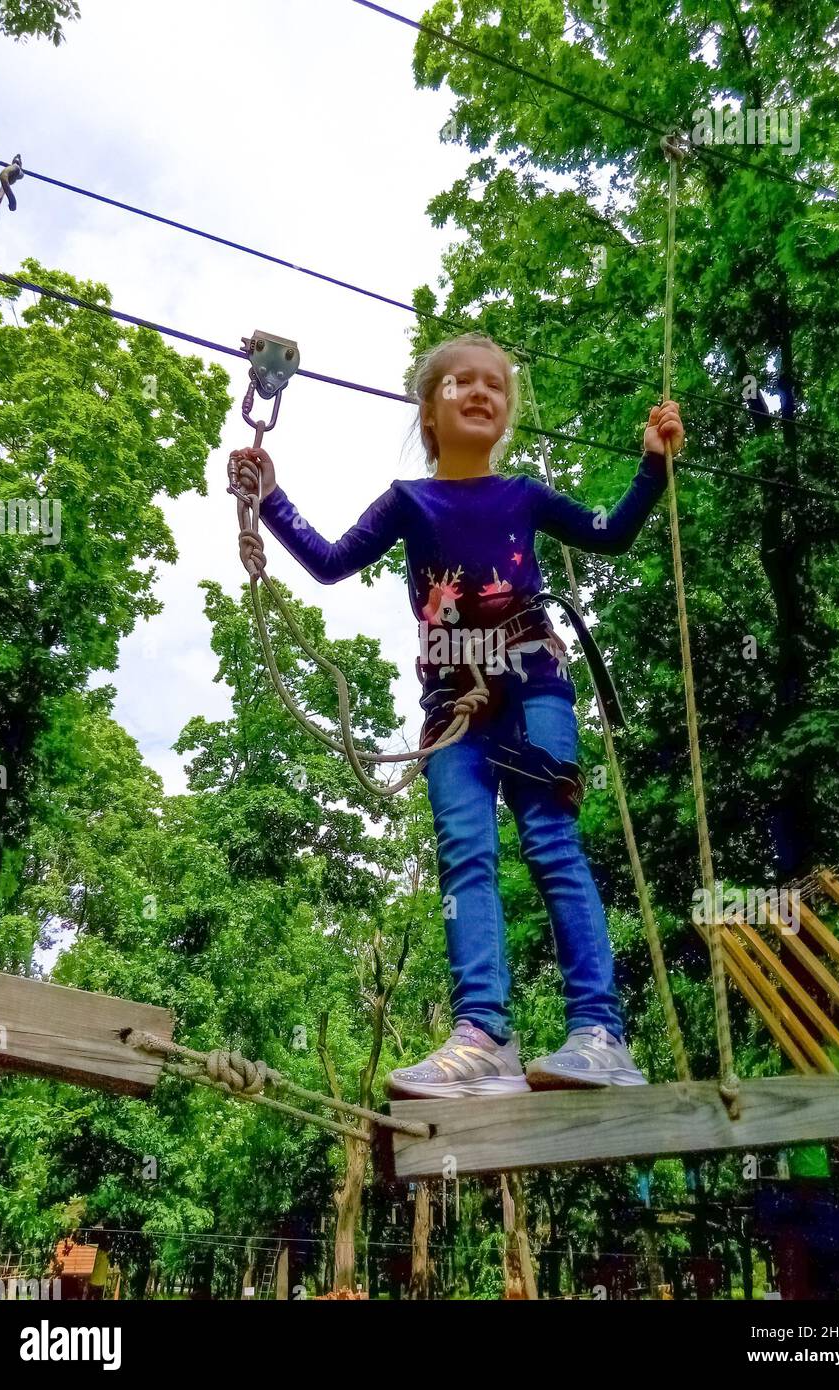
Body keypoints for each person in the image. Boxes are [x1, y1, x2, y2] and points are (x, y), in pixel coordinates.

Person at [230, 332, 684, 1099]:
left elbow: (611, 534)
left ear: (505, 413)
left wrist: (651, 463)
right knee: (465, 859)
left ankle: (599, 1034)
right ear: (430, 411)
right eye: (460, 384)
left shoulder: (526, 495)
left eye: (494, 386)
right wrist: (269, 498)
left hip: (534, 688)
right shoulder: (412, 501)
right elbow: (333, 560)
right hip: (453, 714)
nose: (480, 393)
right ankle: (483, 1037)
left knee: (553, 847)